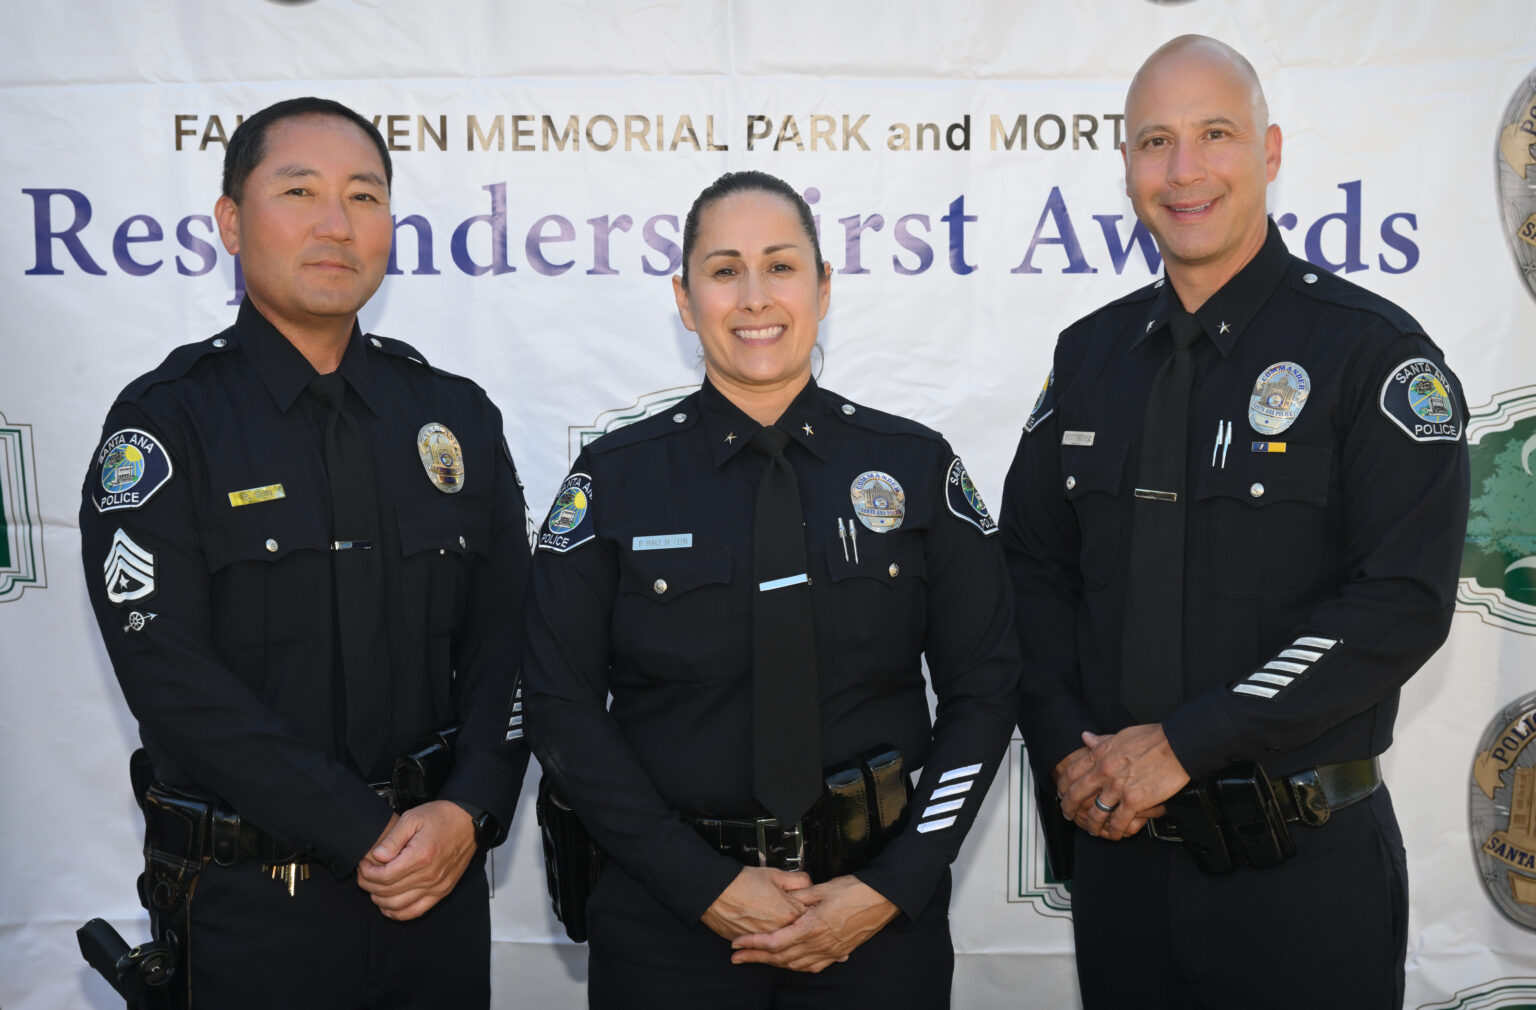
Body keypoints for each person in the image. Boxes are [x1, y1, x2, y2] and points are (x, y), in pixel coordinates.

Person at [1002, 34, 1470, 1009]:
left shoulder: (1370, 355)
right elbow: (1031, 573)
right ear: (1125, 165)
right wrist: (1070, 756)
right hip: (1121, 866)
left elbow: (1397, 603)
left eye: (1215, 133)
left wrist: (1187, 739)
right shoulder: (1088, 358)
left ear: (1272, 149)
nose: (1184, 171)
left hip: (1302, 875)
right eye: (1154, 141)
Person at [521, 170, 1019, 1009]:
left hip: (874, 921)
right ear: (685, 299)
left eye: (782, 266)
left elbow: (988, 685)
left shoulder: (913, 466)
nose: (755, 297)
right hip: (668, 924)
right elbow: (557, 705)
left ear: (824, 289)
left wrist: (897, 883)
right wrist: (703, 886)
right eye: (723, 270)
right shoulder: (615, 479)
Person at [78, 97, 530, 1008]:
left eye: (364, 196)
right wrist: (363, 830)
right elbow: (171, 679)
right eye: (300, 191)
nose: (336, 223)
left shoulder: (455, 418)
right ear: (231, 223)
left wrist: (469, 809)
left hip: (435, 891)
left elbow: (511, 645)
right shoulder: (168, 422)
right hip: (253, 906)